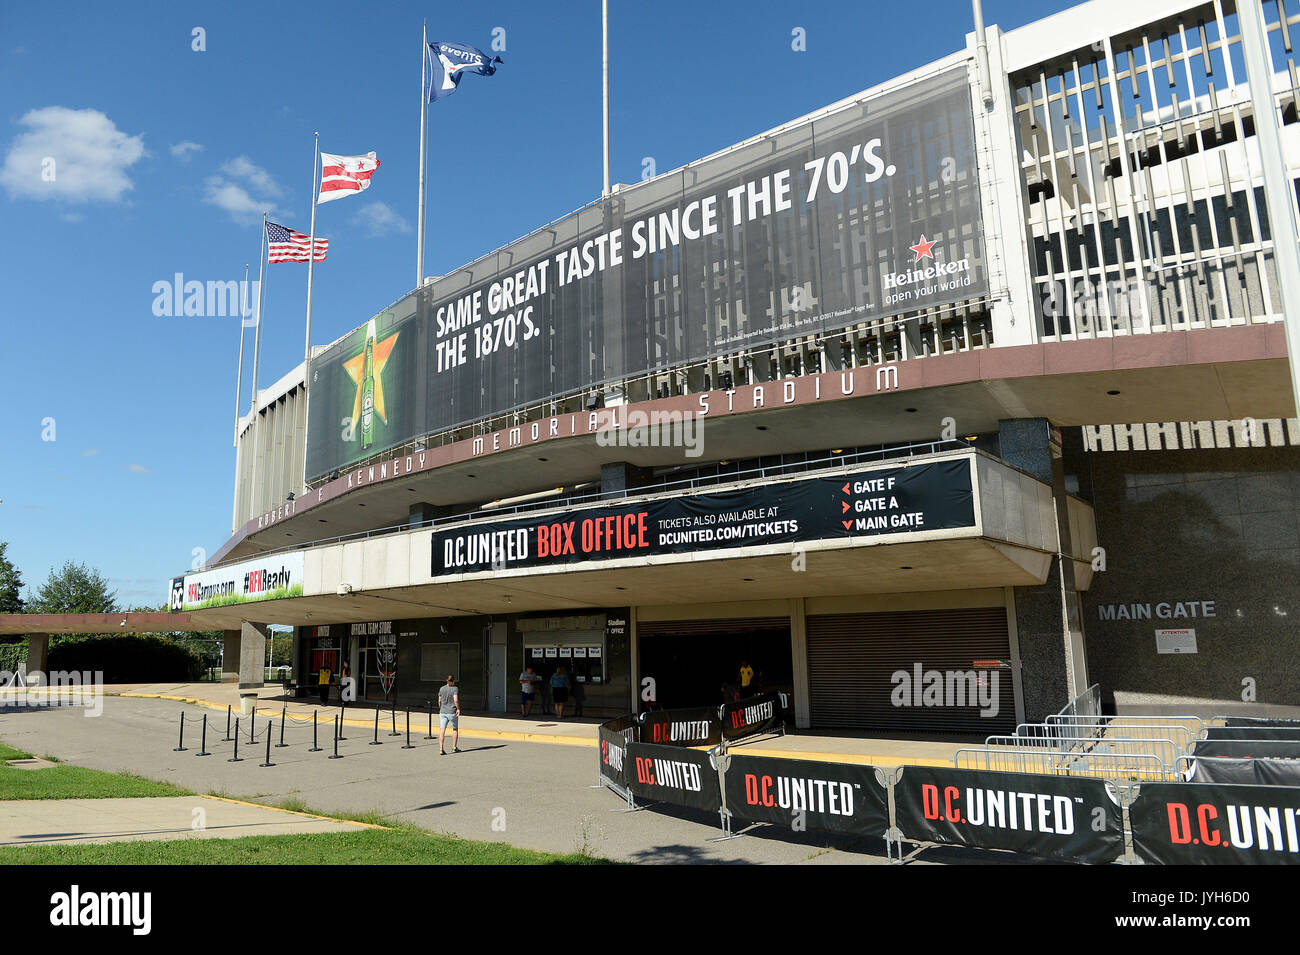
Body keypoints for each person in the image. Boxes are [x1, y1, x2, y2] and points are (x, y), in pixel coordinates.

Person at [437, 674, 460, 754]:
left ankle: (441, 748)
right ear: (453, 680)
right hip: (452, 712)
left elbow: (439, 701)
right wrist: (458, 709)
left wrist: (441, 708)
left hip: (443, 712)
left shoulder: (442, 688)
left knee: (442, 730)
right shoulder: (455, 689)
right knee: (455, 729)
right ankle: (454, 747)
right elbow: (456, 700)